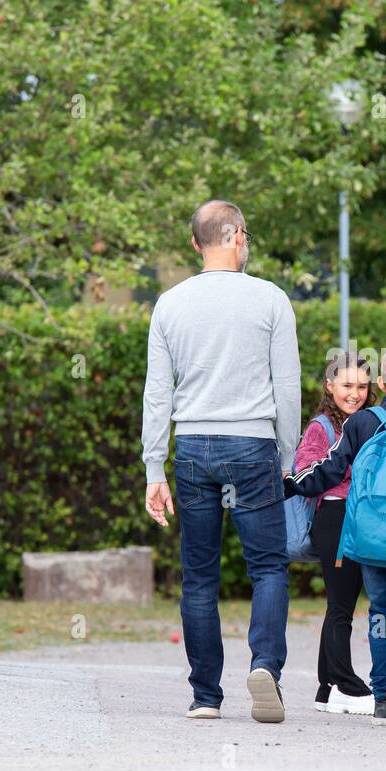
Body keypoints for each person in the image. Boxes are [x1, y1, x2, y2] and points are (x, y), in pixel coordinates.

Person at [141, 199, 301, 724]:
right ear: (235, 236)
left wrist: (153, 469)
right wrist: (287, 455)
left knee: (199, 578)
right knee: (268, 566)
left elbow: (157, 394)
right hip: (252, 445)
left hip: (192, 448)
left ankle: (205, 696)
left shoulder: (169, 303)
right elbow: (288, 388)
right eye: (246, 233)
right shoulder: (271, 300)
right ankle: (265, 667)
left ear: (196, 243)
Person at [285, 343, 386, 730]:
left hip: (366, 539)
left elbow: (328, 471)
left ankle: (382, 699)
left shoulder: (361, 423)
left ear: (379, 381)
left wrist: (291, 485)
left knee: (379, 614)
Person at [293, 353, 376, 715]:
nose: (354, 393)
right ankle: (346, 684)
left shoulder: (373, 423)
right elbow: (304, 472)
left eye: (361, 386)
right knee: (341, 604)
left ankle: (326, 687)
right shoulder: (321, 427)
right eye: (346, 386)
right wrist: (344, 472)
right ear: (330, 386)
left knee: (340, 604)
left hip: (360, 517)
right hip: (335, 516)